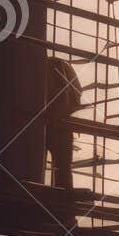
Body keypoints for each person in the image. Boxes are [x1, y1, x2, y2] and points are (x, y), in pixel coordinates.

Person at [45, 55, 82, 190]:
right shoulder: (62, 65)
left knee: (33, 168)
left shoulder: (42, 66)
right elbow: (77, 95)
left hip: (47, 124)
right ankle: (62, 204)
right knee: (63, 171)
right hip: (62, 125)